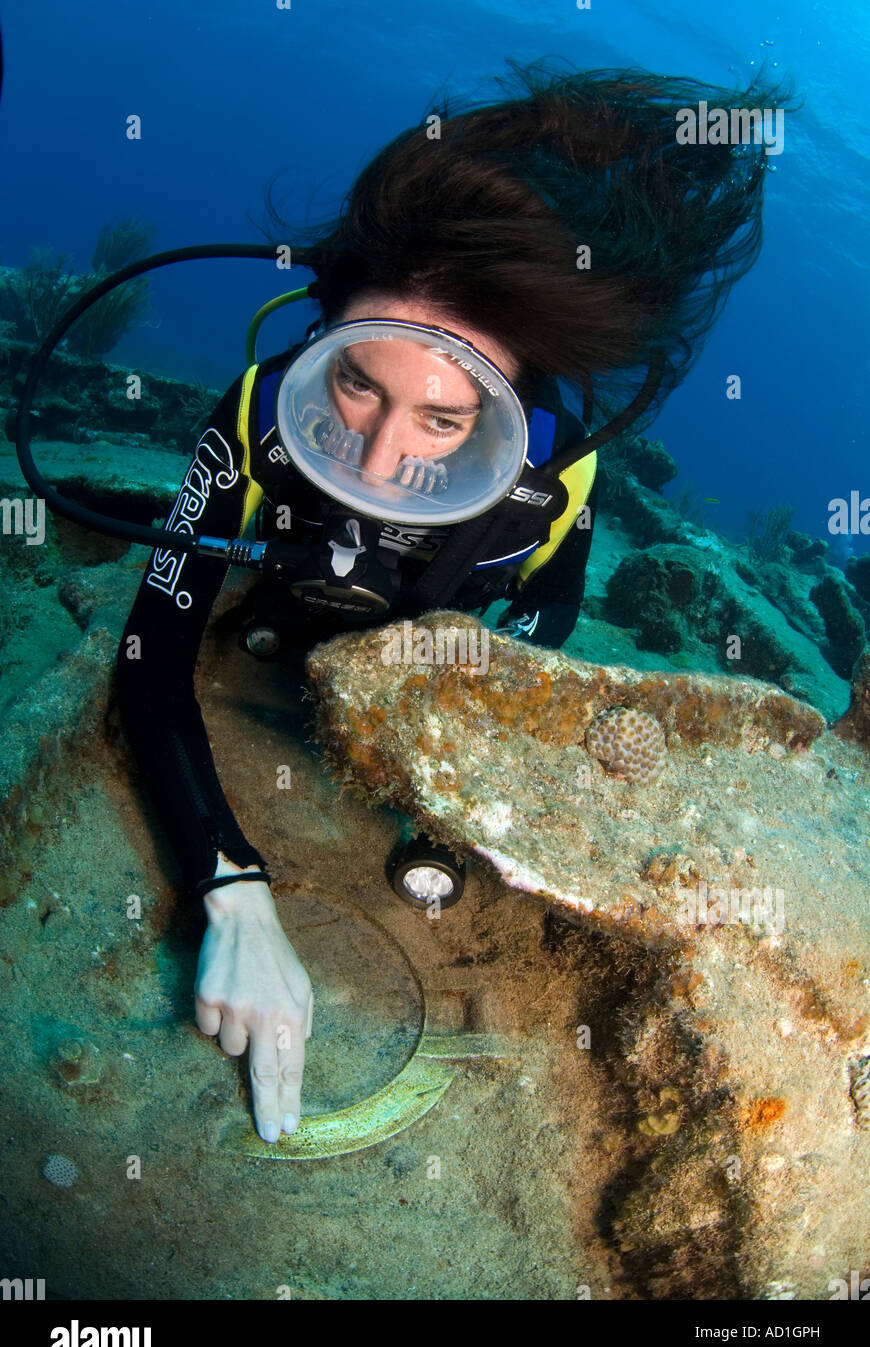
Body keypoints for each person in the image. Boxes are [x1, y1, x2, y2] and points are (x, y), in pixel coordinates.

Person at [114, 62, 786, 1143]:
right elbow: (151, 660)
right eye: (355, 384)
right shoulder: (252, 418)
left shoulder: (553, 481)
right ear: (313, 343)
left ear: (511, 410)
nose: (379, 458)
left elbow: (547, 627)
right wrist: (231, 890)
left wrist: (445, 677)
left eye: (442, 418)